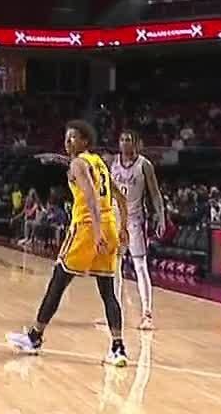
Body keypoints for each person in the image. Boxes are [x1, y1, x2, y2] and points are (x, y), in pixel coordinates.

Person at [7, 120, 132, 366]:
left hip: (88, 228)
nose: (67, 141)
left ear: (85, 140)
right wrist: (123, 227)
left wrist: (95, 234)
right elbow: (120, 197)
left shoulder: (78, 163)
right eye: (66, 137)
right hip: (109, 226)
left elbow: (92, 199)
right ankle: (118, 348)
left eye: (73, 137)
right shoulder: (100, 163)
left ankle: (35, 337)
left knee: (58, 282)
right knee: (107, 291)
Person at [110, 129, 166, 330]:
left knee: (140, 265)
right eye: (122, 139)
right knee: (113, 266)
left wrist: (161, 217)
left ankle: (147, 314)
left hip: (135, 220)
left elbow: (155, 194)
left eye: (128, 139)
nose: (124, 143)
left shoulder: (145, 165)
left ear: (136, 143)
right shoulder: (112, 162)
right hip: (115, 218)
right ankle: (114, 312)